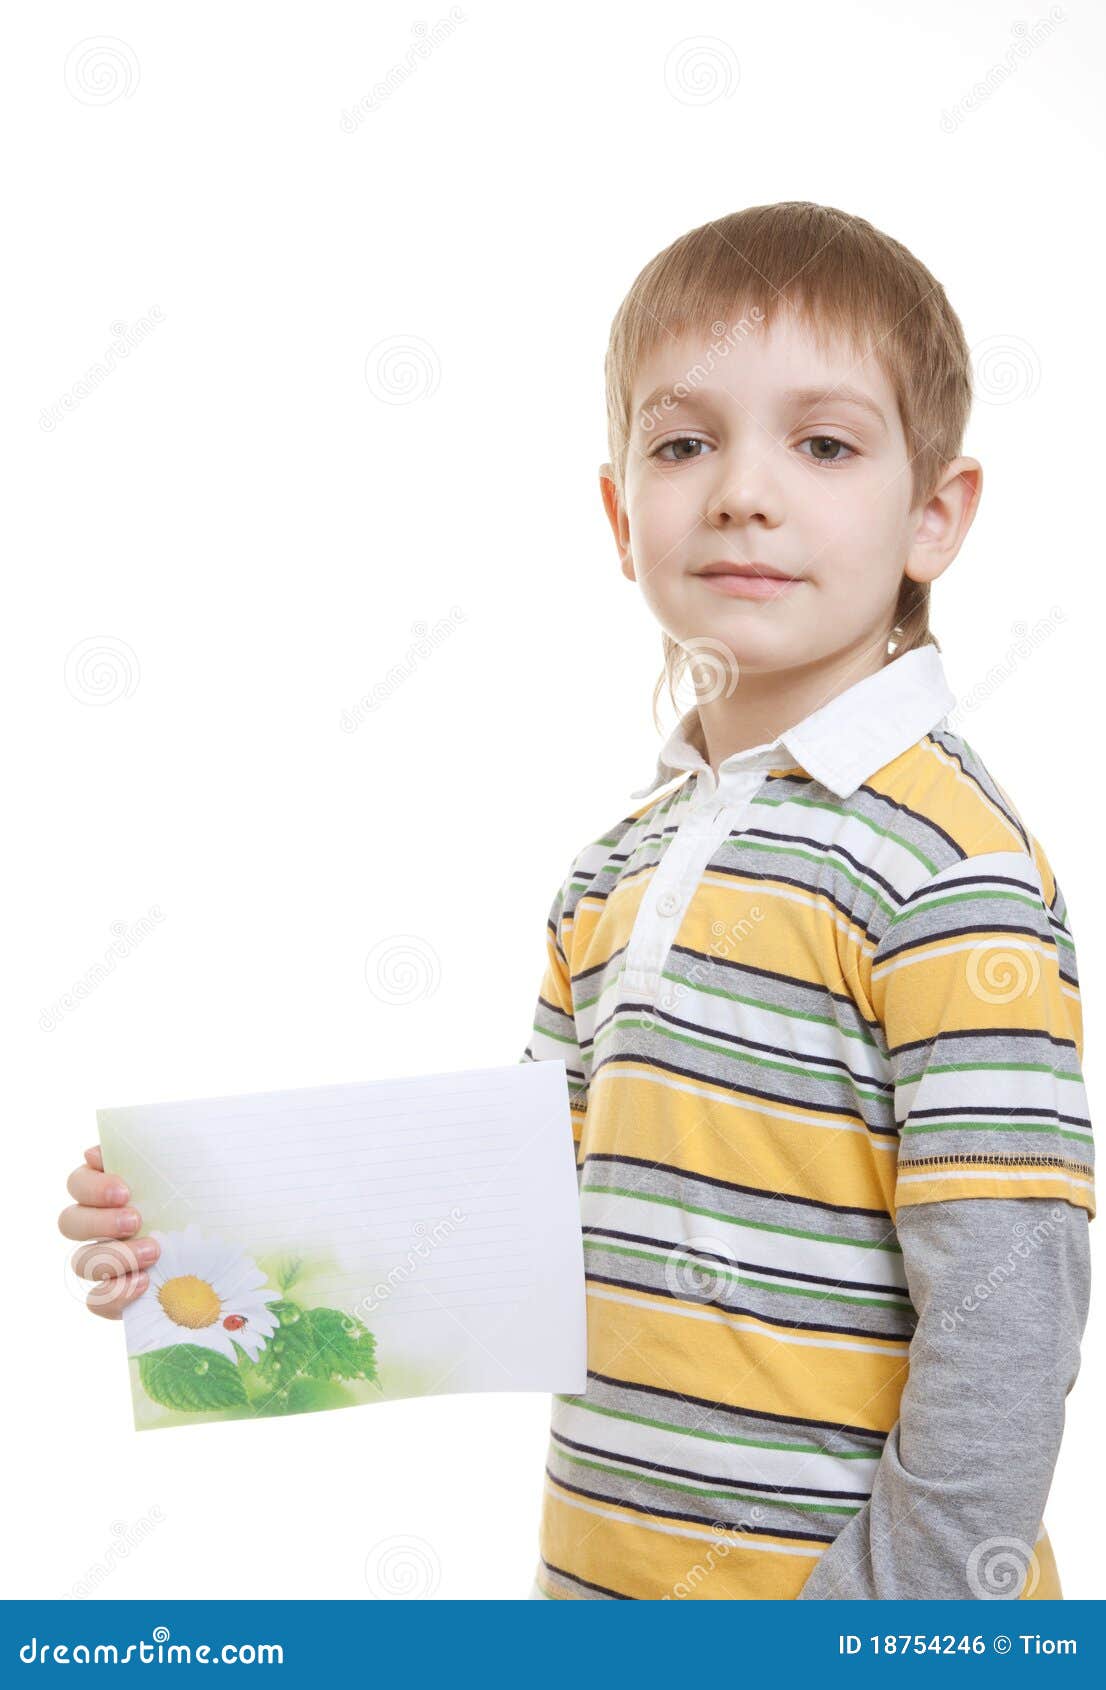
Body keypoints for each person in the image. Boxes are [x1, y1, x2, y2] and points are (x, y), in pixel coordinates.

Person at [519, 202, 1093, 1599]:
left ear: (932, 516)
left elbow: (1007, 1305)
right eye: (681, 443)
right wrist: (216, 1256)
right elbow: (507, 1236)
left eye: (822, 444)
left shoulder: (942, 865)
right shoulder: (608, 870)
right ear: (618, 513)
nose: (742, 491)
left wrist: (878, 1623)